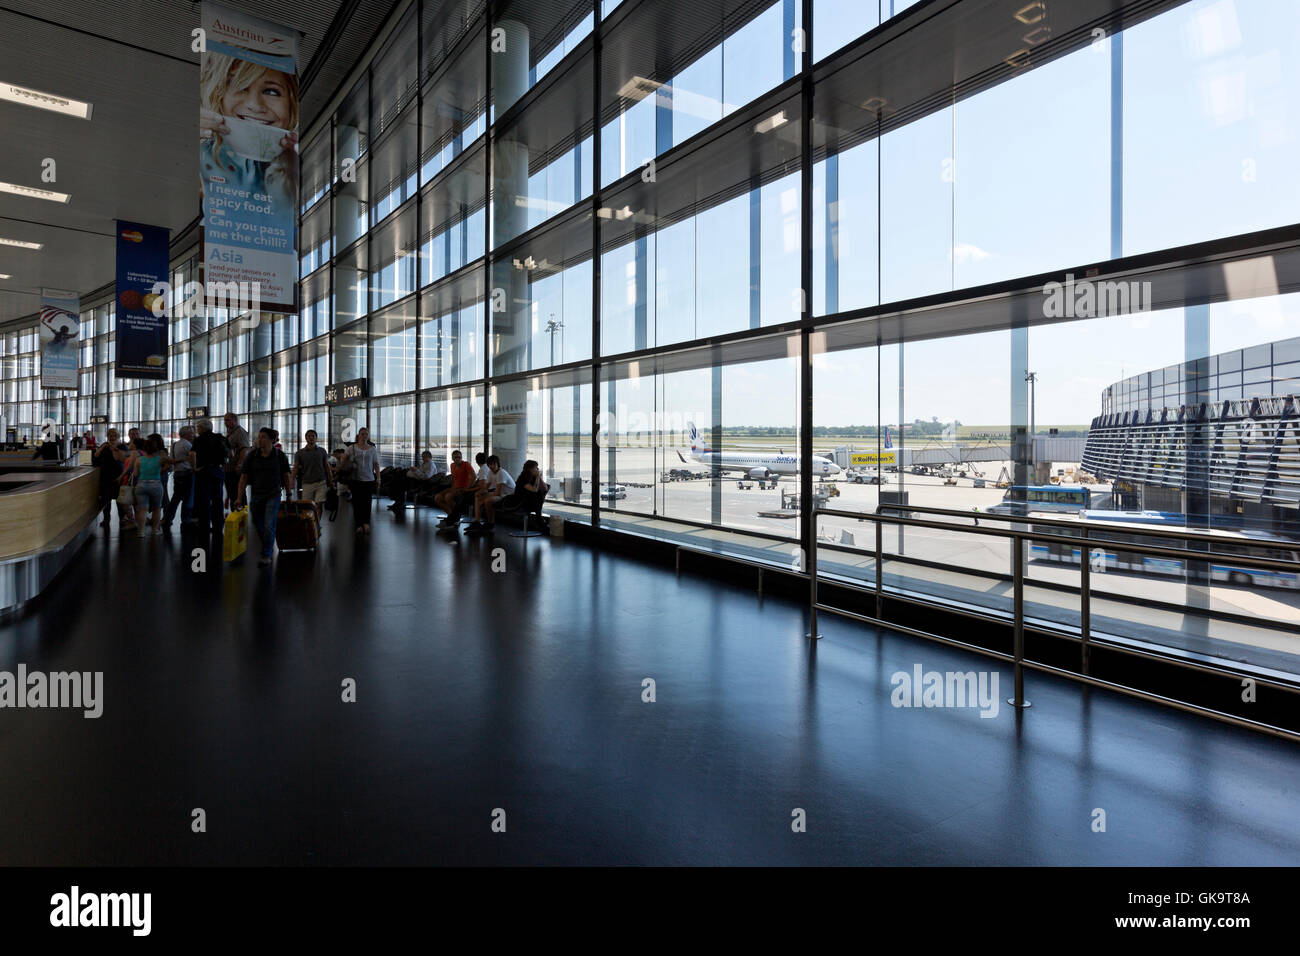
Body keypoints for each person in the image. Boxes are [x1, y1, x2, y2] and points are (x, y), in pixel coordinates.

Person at [237, 426, 293, 568]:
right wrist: (239, 497)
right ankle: (268, 542)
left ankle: (266, 553)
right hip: (256, 495)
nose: (259, 440)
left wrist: (289, 493)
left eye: (263, 437)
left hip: (273, 494)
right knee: (258, 524)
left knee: (269, 524)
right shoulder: (252, 455)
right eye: (259, 437)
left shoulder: (280, 456)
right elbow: (244, 477)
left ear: (272, 440)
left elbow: (286, 475)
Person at [190, 419, 228, 538]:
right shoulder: (220, 437)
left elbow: (192, 454)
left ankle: (204, 525)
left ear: (202, 428)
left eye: (198, 427)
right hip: (218, 471)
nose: (197, 429)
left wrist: (194, 467)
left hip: (204, 471)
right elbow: (230, 454)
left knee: (204, 500)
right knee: (218, 499)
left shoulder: (199, 439)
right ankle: (218, 525)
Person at [465, 455, 516, 535]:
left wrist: (485, 496)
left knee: (488, 500)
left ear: (497, 464)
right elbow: (486, 488)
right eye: (489, 465)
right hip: (502, 494)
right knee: (478, 496)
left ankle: (490, 523)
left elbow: (498, 493)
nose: (491, 466)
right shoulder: (490, 473)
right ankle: (477, 522)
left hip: (509, 496)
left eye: (493, 464)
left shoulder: (501, 473)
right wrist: (480, 493)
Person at [344, 427, 381, 535]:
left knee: (367, 502)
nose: (364, 436)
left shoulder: (372, 449)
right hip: (356, 479)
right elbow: (344, 459)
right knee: (357, 503)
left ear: (368, 436)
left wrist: (378, 477)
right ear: (358, 435)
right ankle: (359, 524)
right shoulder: (352, 448)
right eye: (362, 434)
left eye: (366, 434)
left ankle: (366, 523)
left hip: (369, 479)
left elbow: (376, 464)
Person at [437, 451, 486, 529]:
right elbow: (453, 479)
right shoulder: (452, 465)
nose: (457, 459)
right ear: (452, 458)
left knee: (448, 497)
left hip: (462, 488)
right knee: (438, 497)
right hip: (454, 487)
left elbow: (474, 477)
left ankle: (454, 519)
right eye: (455, 457)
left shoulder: (466, 465)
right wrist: (451, 488)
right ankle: (452, 516)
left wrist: (468, 488)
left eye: (459, 457)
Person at [131, 436, 166, 536]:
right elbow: (170, 466)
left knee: (142, 509)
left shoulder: (139, 460)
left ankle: (141, 531)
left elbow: (135, 474)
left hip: (141, 485)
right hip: (156, 485)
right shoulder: (160, 459)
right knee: (157, 509)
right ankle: (155, 530)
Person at [292, 429, 334, 510]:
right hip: (307, 482)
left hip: (321, 481)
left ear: (316, 438)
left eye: (313, 436)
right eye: (309, 436)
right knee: (307, 505)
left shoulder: (322, 451)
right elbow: (295, 468)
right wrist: (292, 481)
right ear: (306, 438)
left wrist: (331, 480)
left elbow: (326, 466)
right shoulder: (299, 453)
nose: (311, 438)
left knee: (319, 504)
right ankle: (310, 521)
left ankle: (316, 522)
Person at [165, 426, 195, 530]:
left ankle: (168, 519)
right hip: (187, 473)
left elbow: (172, 459)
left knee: (176, 497)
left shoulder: (175, 445)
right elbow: (192, 457)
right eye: (191, 433)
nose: (193, 435)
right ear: (186, 435)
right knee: (188, 498)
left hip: (178, 473)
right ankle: (186, 520)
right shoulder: (188, 445)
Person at [94, 428, 125, 529]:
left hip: (118, 475)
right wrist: (102, 447)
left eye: (114, 436)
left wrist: (114, 449)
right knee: (105, 499)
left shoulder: (121, 446)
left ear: (117, 436)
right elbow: (96, 455)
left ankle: (122, 518)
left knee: (119, 499)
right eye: (110, 436)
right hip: (105, 475)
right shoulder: (105, 446)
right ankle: (106, 518)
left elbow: (122, 459)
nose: (112, 438)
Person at [223, 413, 250, 509]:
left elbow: (245, 449)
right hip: (229, 468)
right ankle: (236, 511)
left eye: (228, 420)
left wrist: (240, 464)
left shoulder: (240, 432)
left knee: (237, 492)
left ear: (235, 420)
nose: (225, 422)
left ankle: (240, 512)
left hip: (235, 469)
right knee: (232, 492)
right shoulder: (230, 432)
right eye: (225, 420)